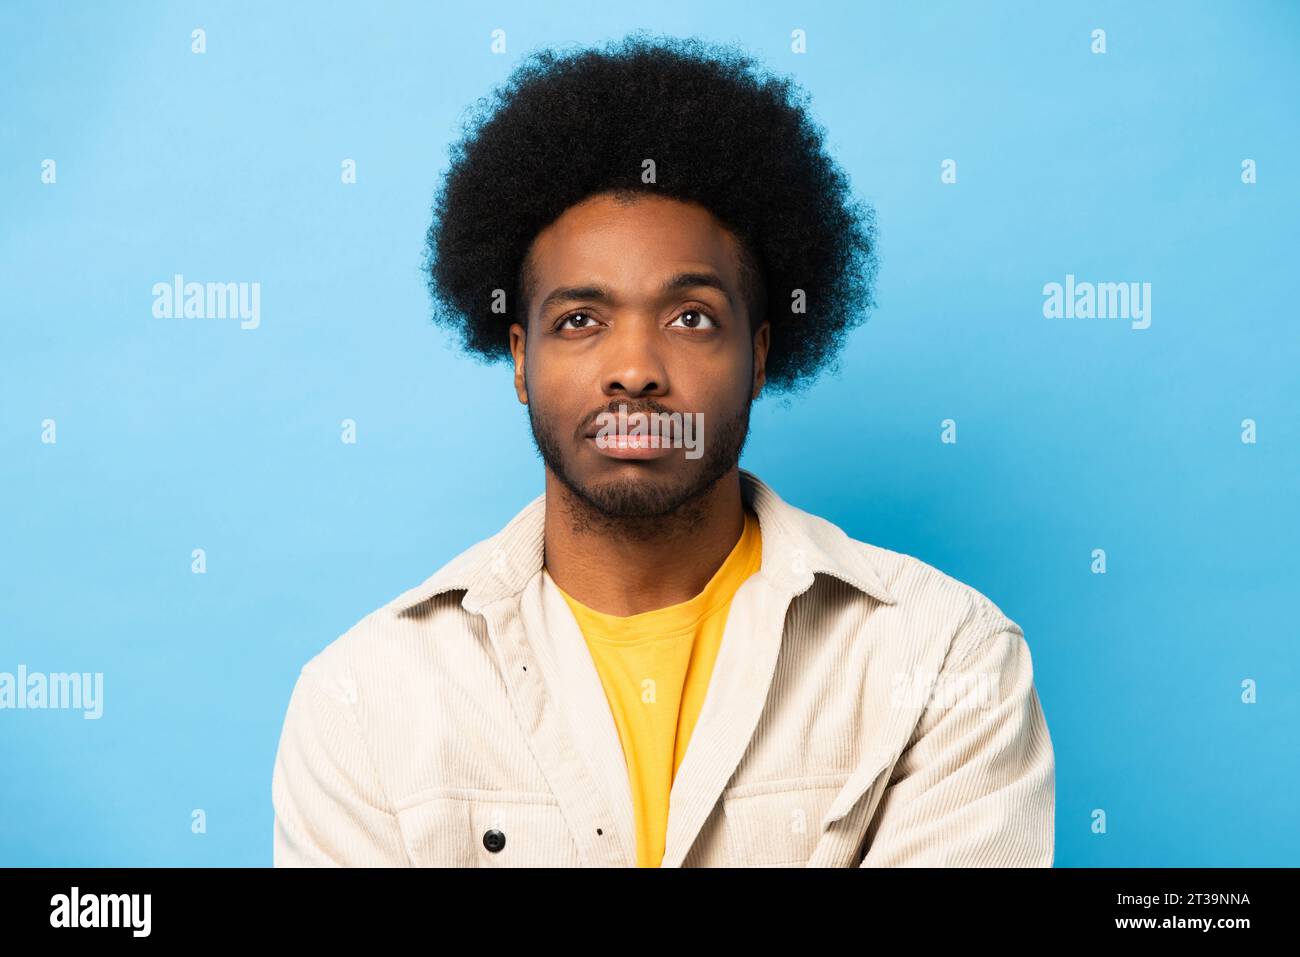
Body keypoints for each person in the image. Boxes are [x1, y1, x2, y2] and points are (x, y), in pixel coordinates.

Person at [272, 32, 1054, 868]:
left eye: (691, 318)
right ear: (520, 360)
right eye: (580, 321)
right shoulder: (364, 697)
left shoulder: (942, 659)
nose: (637, 372)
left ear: (757, 356)